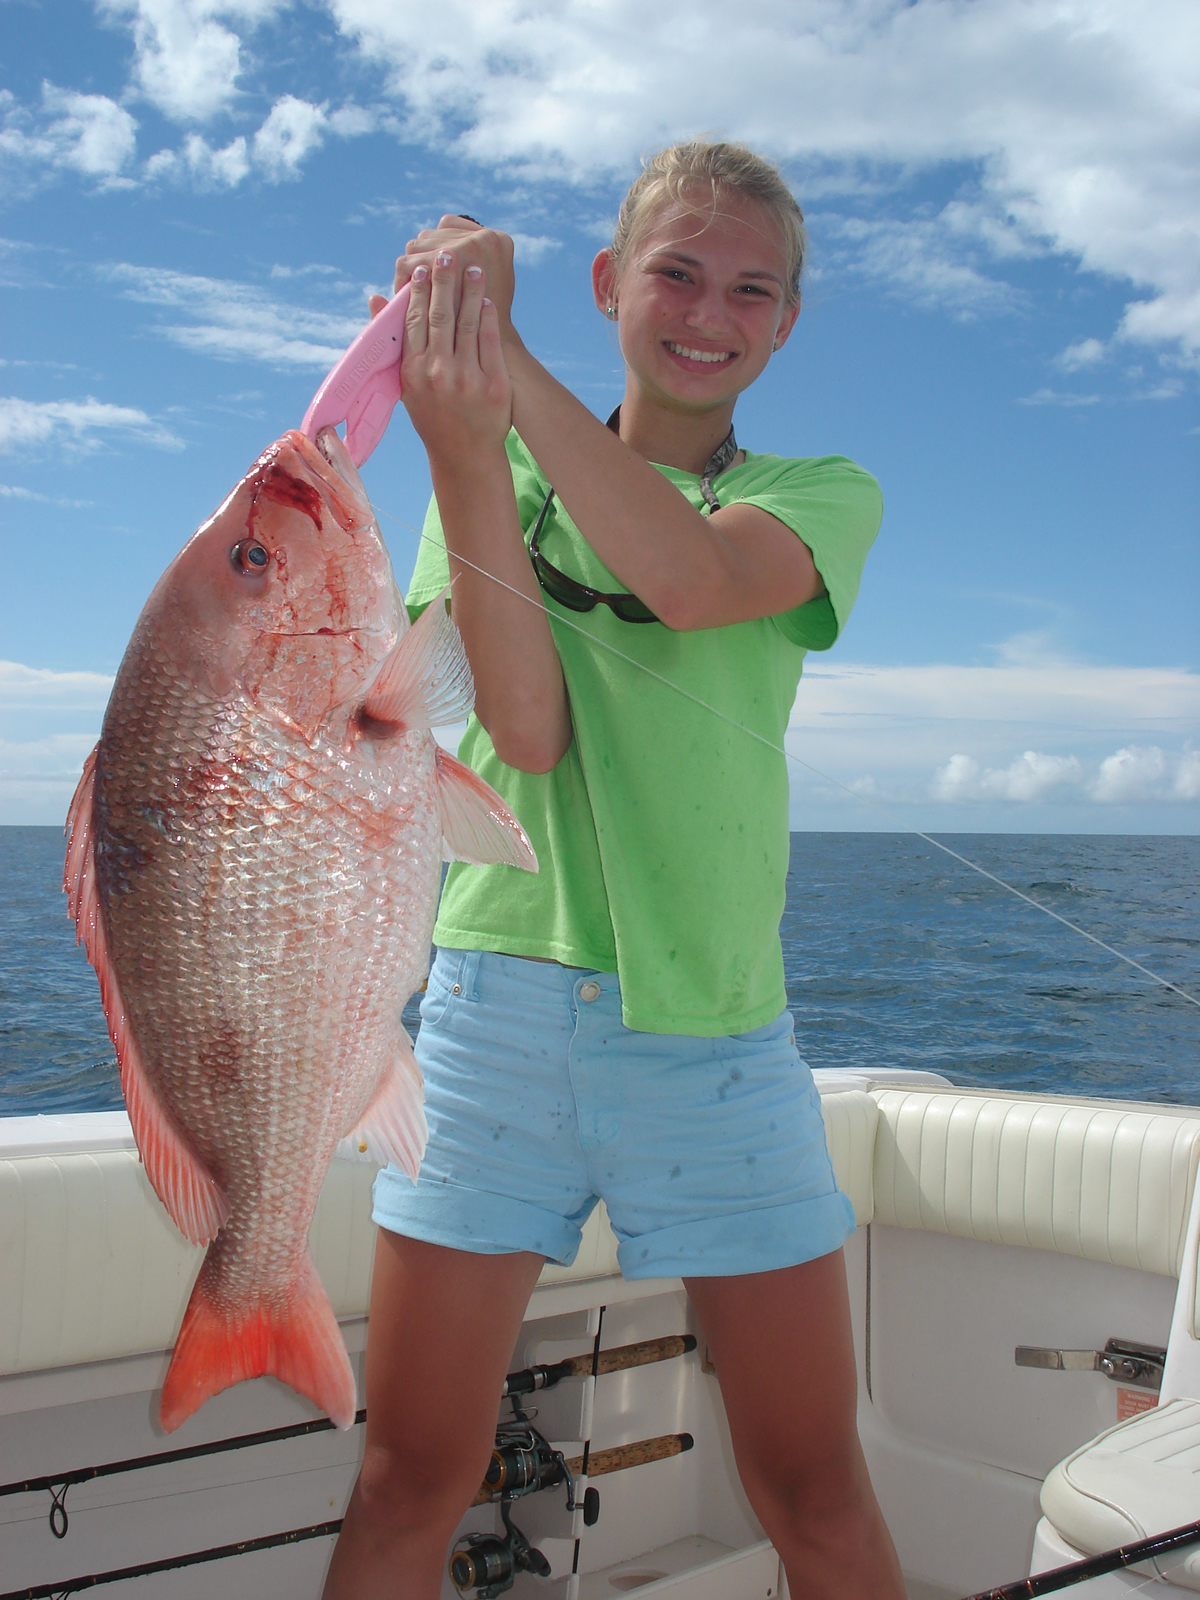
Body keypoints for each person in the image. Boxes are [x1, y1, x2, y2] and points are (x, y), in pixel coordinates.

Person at [322, 140, 904, 1600]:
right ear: (609, 285)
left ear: (785, 325)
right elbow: (522, 724)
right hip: (494, 1023)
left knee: (815, 1485)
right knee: (406, 1478)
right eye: (677, 270)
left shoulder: (817, 492)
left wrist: (500, 360)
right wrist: (468, 449)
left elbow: (691, 580)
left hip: (714, 1038)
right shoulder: (497, 459)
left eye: (752, 288)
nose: (710, 310)